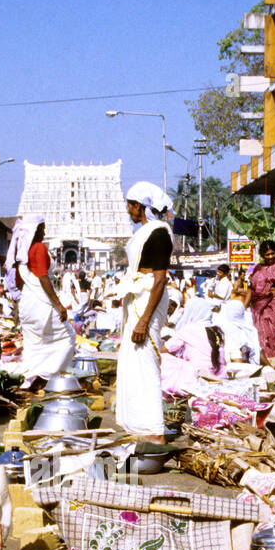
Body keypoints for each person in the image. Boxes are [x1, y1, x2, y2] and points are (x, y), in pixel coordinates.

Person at [114, 181, 174, 442]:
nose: (128, 210)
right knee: (134, 363)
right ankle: (141, 426)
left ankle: (154, 429)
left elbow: (159, 279)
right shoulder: (146, 231)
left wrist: (143, 320)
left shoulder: (159, 233)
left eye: (130, 205)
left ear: (138, 205)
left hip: (148, 298)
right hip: (139, 295)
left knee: (146, 362)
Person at [4, 213, 75, 389]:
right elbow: (43, 278)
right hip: (41, 304)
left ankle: (30, 379)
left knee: (33, 344)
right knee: (67, 337)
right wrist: (58, 304)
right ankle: (44, 377)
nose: (44, 232)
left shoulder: (21, 254)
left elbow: (19, 282)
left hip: (27, 303)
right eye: (42, 228)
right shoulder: (39, 248)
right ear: (34, 230)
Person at [244, 240, 275, 362]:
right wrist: (244, 306)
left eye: (273, 253)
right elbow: (251, 289)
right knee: (261, 333)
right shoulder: (257, 268)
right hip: (259, 307)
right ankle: (264, 361)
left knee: (273, 333)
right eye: (267, 254)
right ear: (262, 255)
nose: (270, 257)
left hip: (274, 305)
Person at [161, 321, 226, 395]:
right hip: (218, 374)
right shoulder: (214, 330)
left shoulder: (189, 329)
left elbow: (167, 348)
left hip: (194, 377)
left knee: (161, 358)